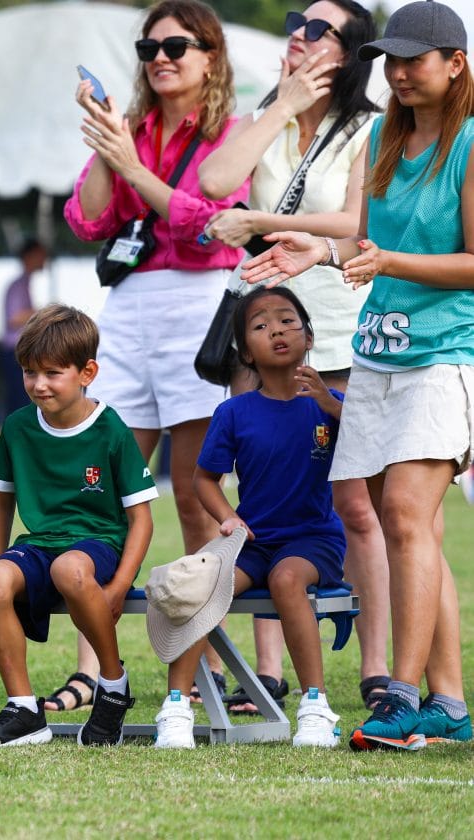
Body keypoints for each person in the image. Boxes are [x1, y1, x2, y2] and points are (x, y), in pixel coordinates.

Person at [242, 0, 473, 751]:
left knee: (405, 512)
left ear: (456, 63)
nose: (399, 72)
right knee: (418, 530)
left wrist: (384, 262)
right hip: (379, 352)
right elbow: (367, 243)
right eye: (391, 60)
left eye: (415, 59)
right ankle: (450, 703)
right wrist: (321, 253)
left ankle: (400, 698)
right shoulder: (381, 134)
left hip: (447, 354)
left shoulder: (470, 143)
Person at [198, 0, 390, 715]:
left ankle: (376, 669)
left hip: (339, 325)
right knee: (261, 492)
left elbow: (354, 221)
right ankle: (268, 672)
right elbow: (218, 185)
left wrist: (264, 222)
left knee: (358, 505)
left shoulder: (369, 127)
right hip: (259, 330)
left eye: (314, 30)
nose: (296, 38)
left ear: (347, 52)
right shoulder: (269, 115)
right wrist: (279, 106)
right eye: (292, 27)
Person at [63, 2, 248, 705]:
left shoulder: (230, 133)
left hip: (201, 301)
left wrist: (133, 167)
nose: (160, 56)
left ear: (211, 56)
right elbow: (88, 218)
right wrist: (113, 143)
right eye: (149, 45)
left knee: (197, 492)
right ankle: (94, 668)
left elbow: (203, 221)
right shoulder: (132, 130)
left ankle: (208, 668)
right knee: (102, 484)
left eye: (178, 44)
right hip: (130, 303)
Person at [154, 286, 347, 749]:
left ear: (310, 336)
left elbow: (370, 447)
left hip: (314, 540)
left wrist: (332, 405)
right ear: (244, 351)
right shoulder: (233, 412)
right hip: (253, 541)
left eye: (287, 321)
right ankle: (177, 706)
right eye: (260, 326)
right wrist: (228, 519)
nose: (276, 330)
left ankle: (315, 706)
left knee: (286, 580)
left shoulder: (333, 404)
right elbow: (204, 480)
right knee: (200, 579)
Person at [0, 304, 157, 748]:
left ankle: (112, 687)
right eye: (29, 372)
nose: (38, 384)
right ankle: (24, 710)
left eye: (52, 373)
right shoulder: (17, 426)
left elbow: (141, 519)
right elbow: (0, 503)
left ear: (86, 372)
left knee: (69, 570)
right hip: (38, 545)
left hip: (97, 546)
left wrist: (119, 586)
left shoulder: (110, 429)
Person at [0, 238, 45, 418]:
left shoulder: (24, 283)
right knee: (18, 399)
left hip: (18, 350)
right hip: (15, 350)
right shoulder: (18, 285)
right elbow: (14, 318)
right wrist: (41, 312)